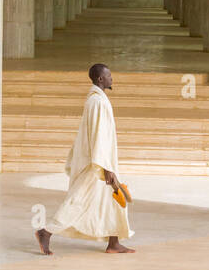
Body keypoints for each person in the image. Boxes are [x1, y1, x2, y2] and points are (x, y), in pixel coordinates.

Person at [34, 62, 135, 255]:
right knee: (77, 201)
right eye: (109, 75)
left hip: (103, 161)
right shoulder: (96, 102)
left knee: (112, 200)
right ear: (100, 79)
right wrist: (106, 167)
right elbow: (97, 135)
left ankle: (114, 243)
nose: (112, 78)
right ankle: (45, 232)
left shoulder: (99, 99)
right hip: (96, 164)